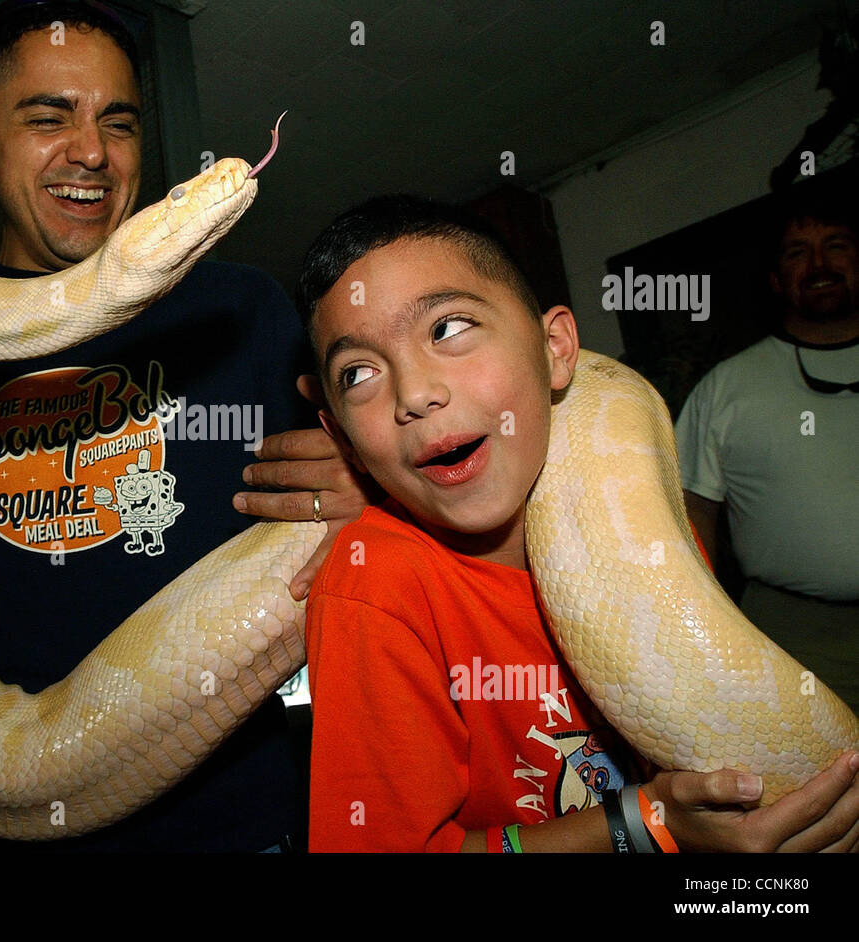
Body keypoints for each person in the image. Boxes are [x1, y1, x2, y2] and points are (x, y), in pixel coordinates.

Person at [0, 0, 369, 852]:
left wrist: (381, 488)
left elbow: (401, 507)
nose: (90, 151)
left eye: (117, 123)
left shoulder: (243, 310)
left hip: (243, 824)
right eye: (49, 116)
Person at [296, 194, 859, 852]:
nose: (415, 393)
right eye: (358, 372)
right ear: (342, 437)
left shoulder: (636, 520)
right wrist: (642, 825)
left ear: (557, 348)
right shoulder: (376, 585)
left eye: (447, 329)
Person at [675, 196, 859, 711]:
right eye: (798, 253)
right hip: (797, 637)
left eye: (836, 246)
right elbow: (691, 511)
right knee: (823, 785)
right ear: (776, 280)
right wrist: (704, 626)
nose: (819, 264)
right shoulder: (726, 387)